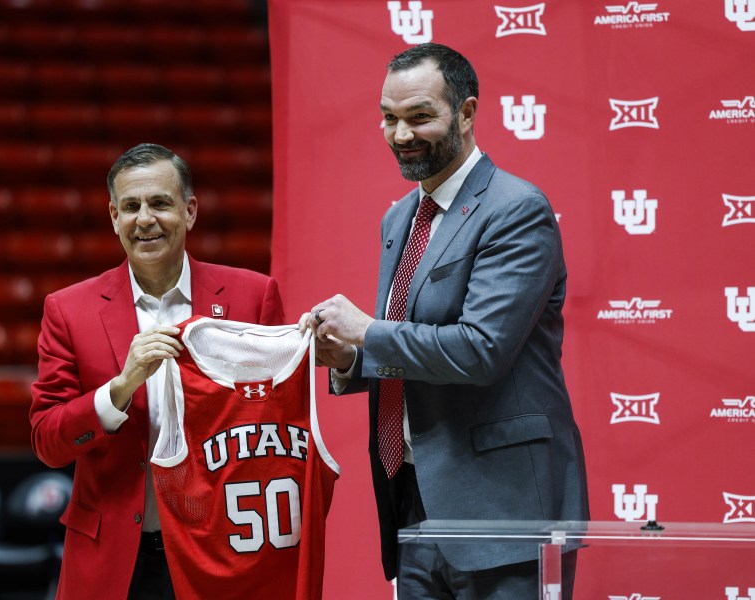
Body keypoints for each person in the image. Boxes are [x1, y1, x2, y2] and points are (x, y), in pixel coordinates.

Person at [301, 43, 589, 598]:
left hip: (505, 512)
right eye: (389, 117)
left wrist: (367, 331)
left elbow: (482, 350)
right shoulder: (400, 216)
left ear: (467, 112)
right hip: (413, 500)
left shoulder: (516, 209)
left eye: (420, 117)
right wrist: (352, 359)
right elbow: (412, 343)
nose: (401, 134)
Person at [30, 143, 285, 600]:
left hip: (224, 552)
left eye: (160, 203)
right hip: (115, 561)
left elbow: (278, 426)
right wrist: (120, 387)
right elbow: (49, 442)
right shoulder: (68, 310)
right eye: (130, 206)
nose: (144, 219)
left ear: (189, 211)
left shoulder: (253, 297)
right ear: (113, 217)